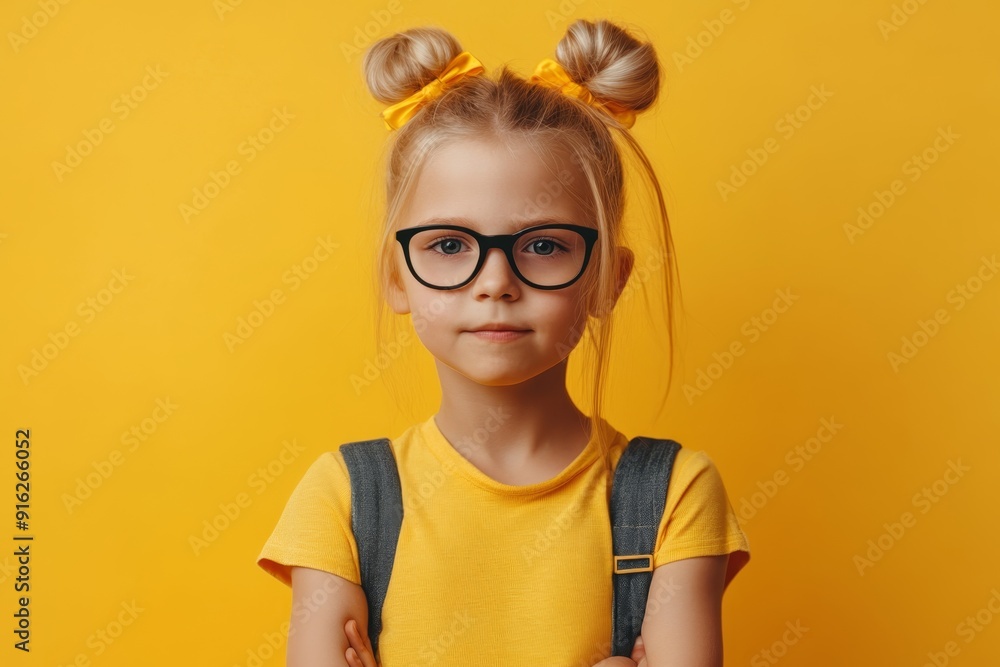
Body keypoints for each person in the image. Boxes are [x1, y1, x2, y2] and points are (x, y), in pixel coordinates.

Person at [256, 18, 750, 667]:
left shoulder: (674, 495)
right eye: (449, 245)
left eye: (543, 246)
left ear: (607, 279)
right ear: (396, 276)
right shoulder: (344, 497)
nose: (496, 282)